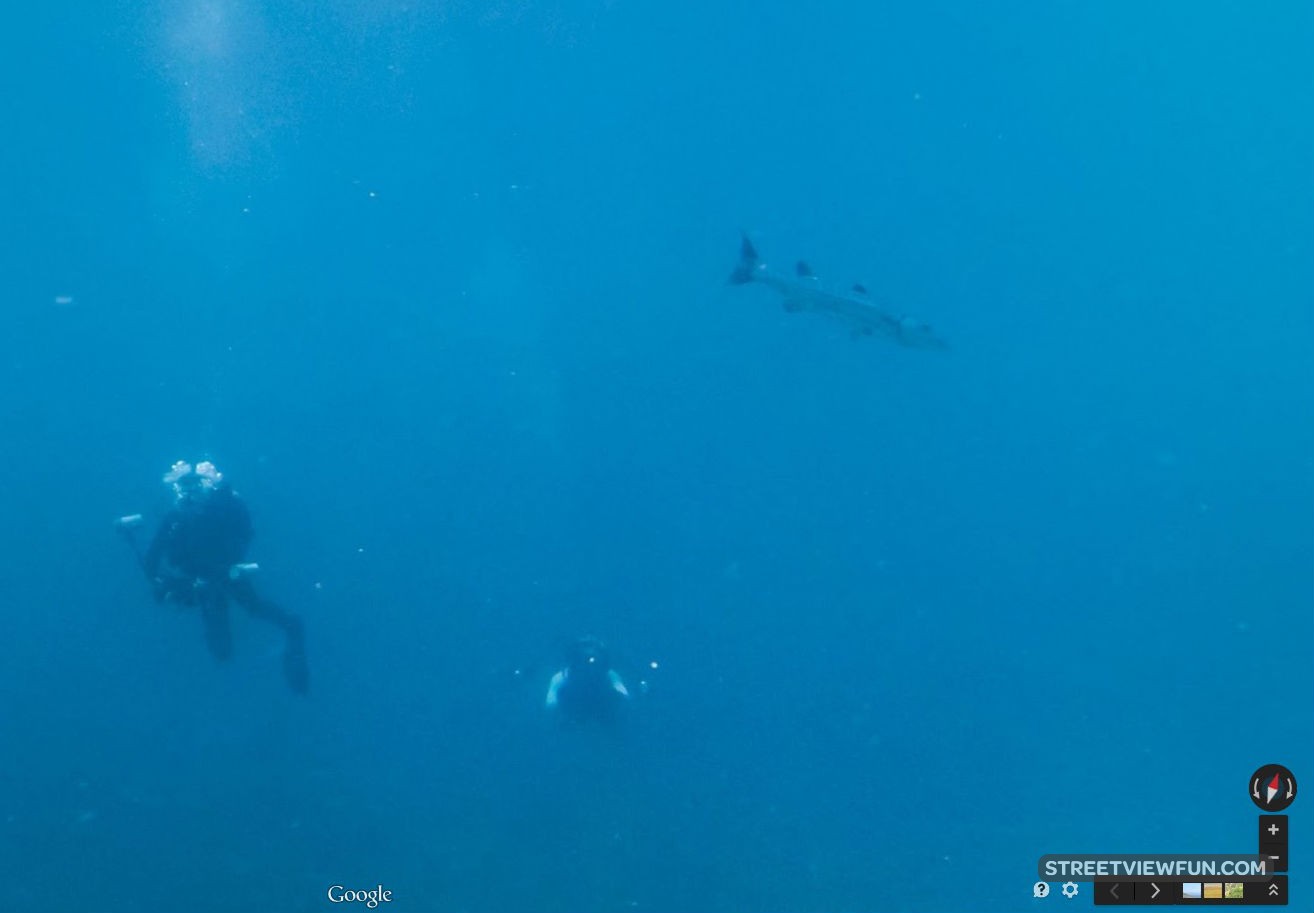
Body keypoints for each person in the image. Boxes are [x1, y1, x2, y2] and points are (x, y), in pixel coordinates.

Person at [129, 460, 308, 694]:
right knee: (222, 649)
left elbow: (242, 533)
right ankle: (286, 640)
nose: (191, 495)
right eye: (186, 489)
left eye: (197, 487)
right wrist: (165, 583)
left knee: (251, 612)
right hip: (203, 582)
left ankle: (293, 643)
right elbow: (153, 560)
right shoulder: (174, 519)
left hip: (227, 574)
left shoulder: (220, 510)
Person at [545, 636, 630, 729]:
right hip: (573, 715)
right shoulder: (562, 677)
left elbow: (623, 695)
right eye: (581, 661)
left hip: (602, 713)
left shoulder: (609, 675)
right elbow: (551, 704)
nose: (588, 666)